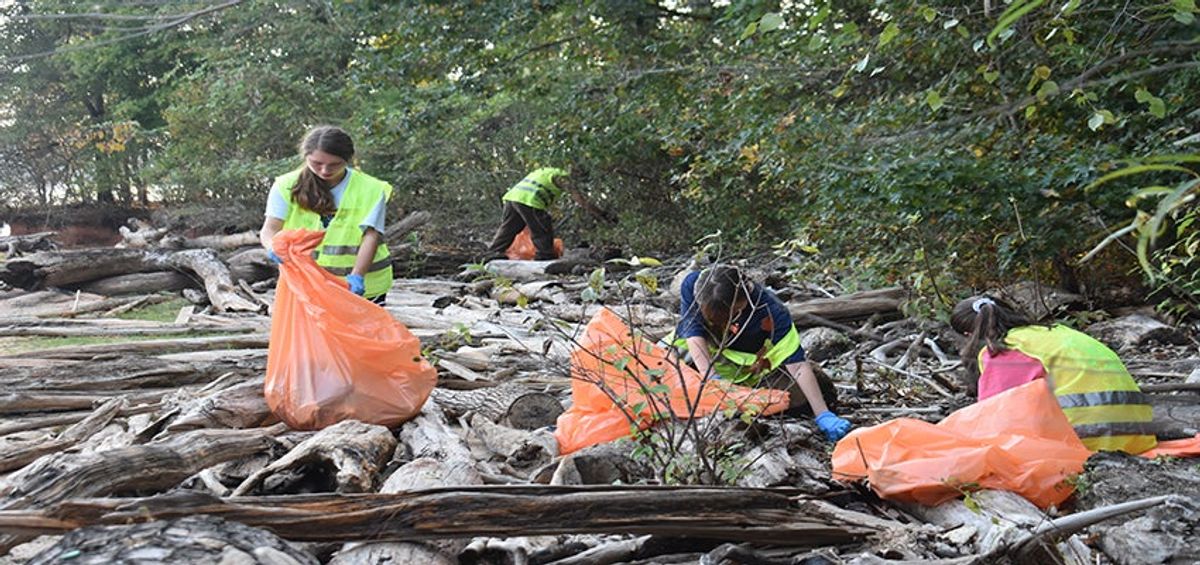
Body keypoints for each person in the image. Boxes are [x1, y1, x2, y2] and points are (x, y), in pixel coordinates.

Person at [950, 295, 1157, 454]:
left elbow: (996, 413)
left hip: (1087, 441)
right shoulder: (1055, 332)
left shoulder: (1002, 349)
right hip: (1138, 435)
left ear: (970, 334)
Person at [673, 265, 853, 442]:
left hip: (751, 375)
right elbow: (694, 334)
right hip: (698, 361)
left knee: (800, 398)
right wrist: (712, 380)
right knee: (661, 373)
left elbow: (797, 365)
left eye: (734, 312)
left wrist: (823, 414)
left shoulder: (771, 311)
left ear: (745, 299)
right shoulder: (695, 285)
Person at [259, 125, 394, 304]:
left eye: (334, 165)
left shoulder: (371, 189)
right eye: (316, 163)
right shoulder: (286, 185)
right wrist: (272, 247)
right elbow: (270, 229)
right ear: (305, 157)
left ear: (348, 160)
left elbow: (371, 236)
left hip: (364, 283)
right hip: (307, 283)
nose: (324, 171)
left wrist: (357, 276)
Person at [485, 167, 586, 261]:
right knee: (542, 227)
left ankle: (493, 252)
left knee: (509, 228)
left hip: (512, 197)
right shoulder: (563, 178)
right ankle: (544, 255)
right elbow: (580, 200)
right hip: (529, 199)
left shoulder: (550, 170)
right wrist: (599, 213)